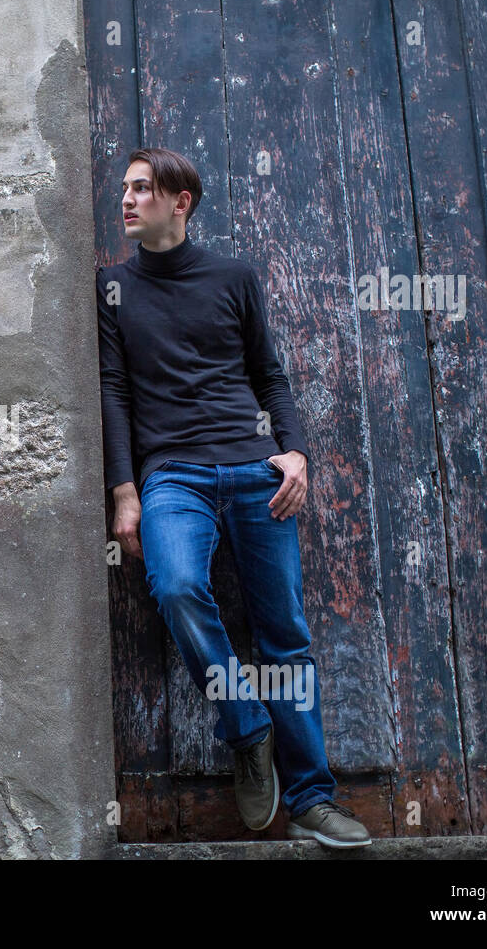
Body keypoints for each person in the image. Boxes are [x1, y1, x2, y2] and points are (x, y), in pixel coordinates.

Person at [97, 147, 371, 848]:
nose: (126, 200)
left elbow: (269, 373)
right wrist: (126, 493)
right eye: (125, 189)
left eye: (141, 189)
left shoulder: (234, 277)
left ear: (179, 201)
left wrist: (297, 452)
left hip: (255, 474)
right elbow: (116, 395)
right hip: (174, 477)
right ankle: (246, 726)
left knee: (285, 637)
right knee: (180, 585)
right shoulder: (113, 291)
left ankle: (312, 800)